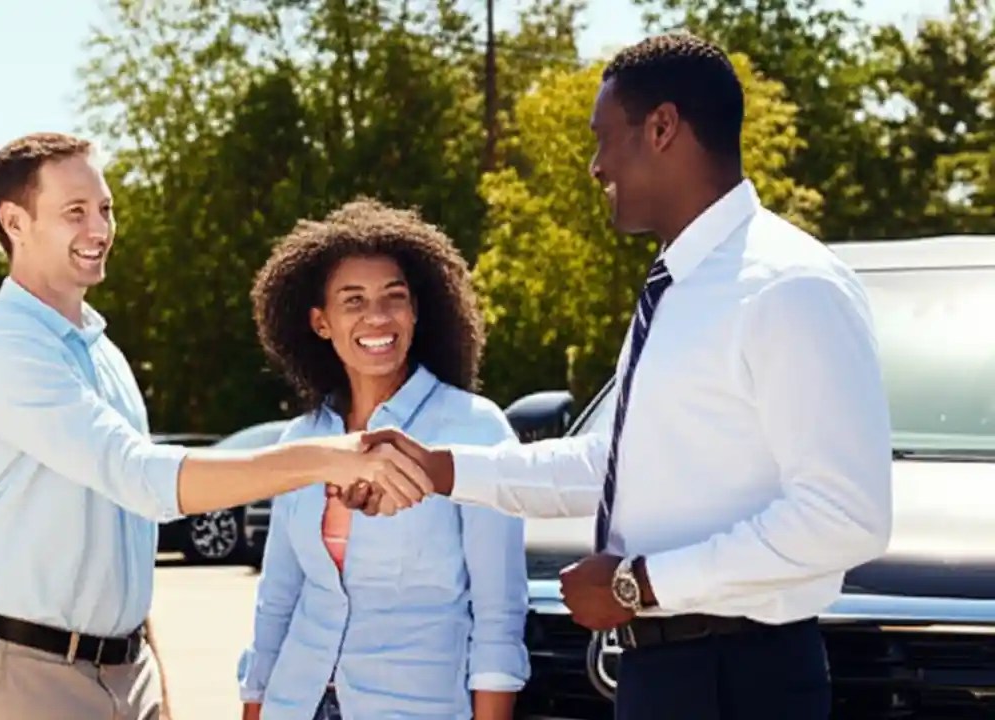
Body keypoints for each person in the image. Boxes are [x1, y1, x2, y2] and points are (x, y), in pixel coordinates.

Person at [351, 33, 893, 720]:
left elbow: (847, 517)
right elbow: (611, 465)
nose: (594, 165)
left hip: (739, 682)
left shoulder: (791, 286)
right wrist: (437, 469)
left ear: (662, 128)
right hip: (661, 674)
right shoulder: (680, 287)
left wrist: (639, 586)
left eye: (603, 138)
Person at [0, 133, 432, 720]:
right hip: (27, 681)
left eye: (105, 208)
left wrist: (152, 684)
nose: (100, 229)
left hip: (127, 673)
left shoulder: (101, 353)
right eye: (76, 212)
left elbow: (127, 533)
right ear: (14, 222)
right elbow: (144, 478)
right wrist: (327, 457)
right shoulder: (6, 350)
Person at [236, 200, 530, 720]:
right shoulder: (302, 438)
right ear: (321, 322)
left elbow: (498, 614)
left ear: (417, 311)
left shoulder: (475, 431)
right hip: (295, 704)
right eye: (353, 301)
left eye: (393, 298)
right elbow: (277, 597)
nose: (377, 316)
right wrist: (255, 703)